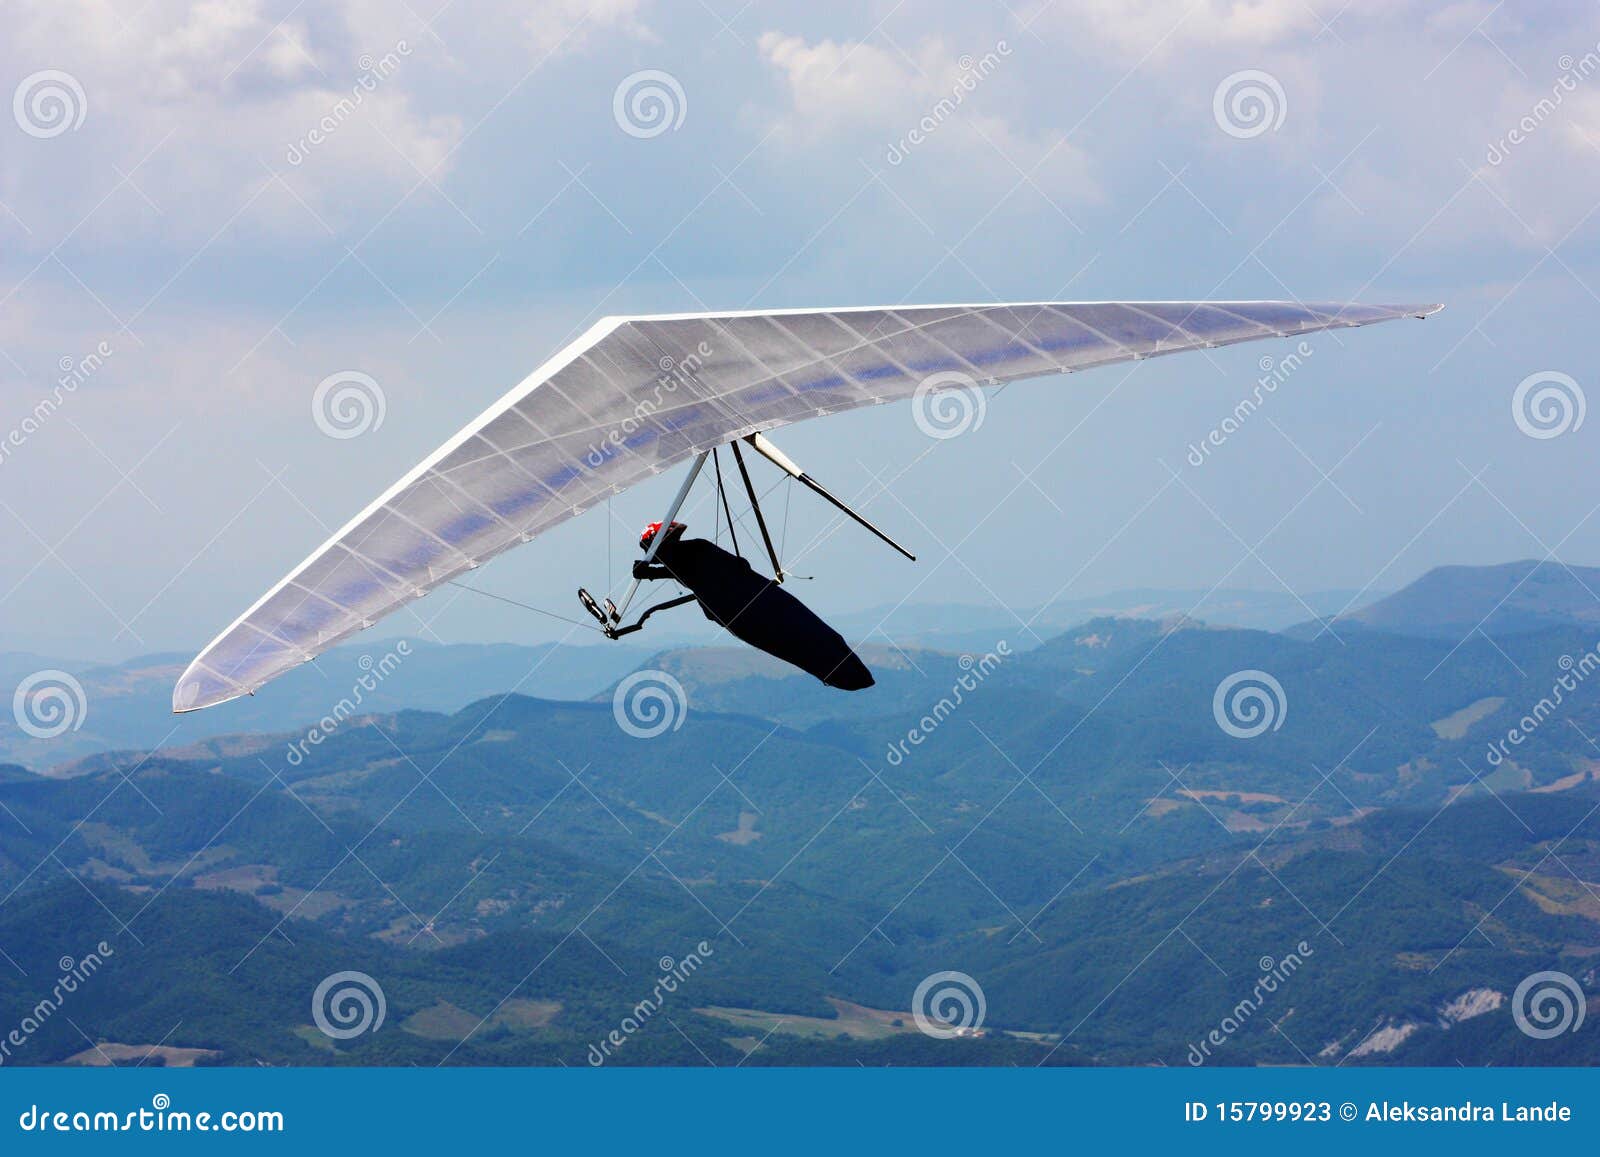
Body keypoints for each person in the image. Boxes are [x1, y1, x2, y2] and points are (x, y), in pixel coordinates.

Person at [633, 521, 874, 690]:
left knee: (806, 633)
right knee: (795, 640)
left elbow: (694, 568)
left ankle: (846, 673)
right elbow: (687, 571)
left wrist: (651, 572)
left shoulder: (694, 550)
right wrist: (651, 572)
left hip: (752, 601)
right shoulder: (686, 560)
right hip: (744, 610)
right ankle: (844, 674)